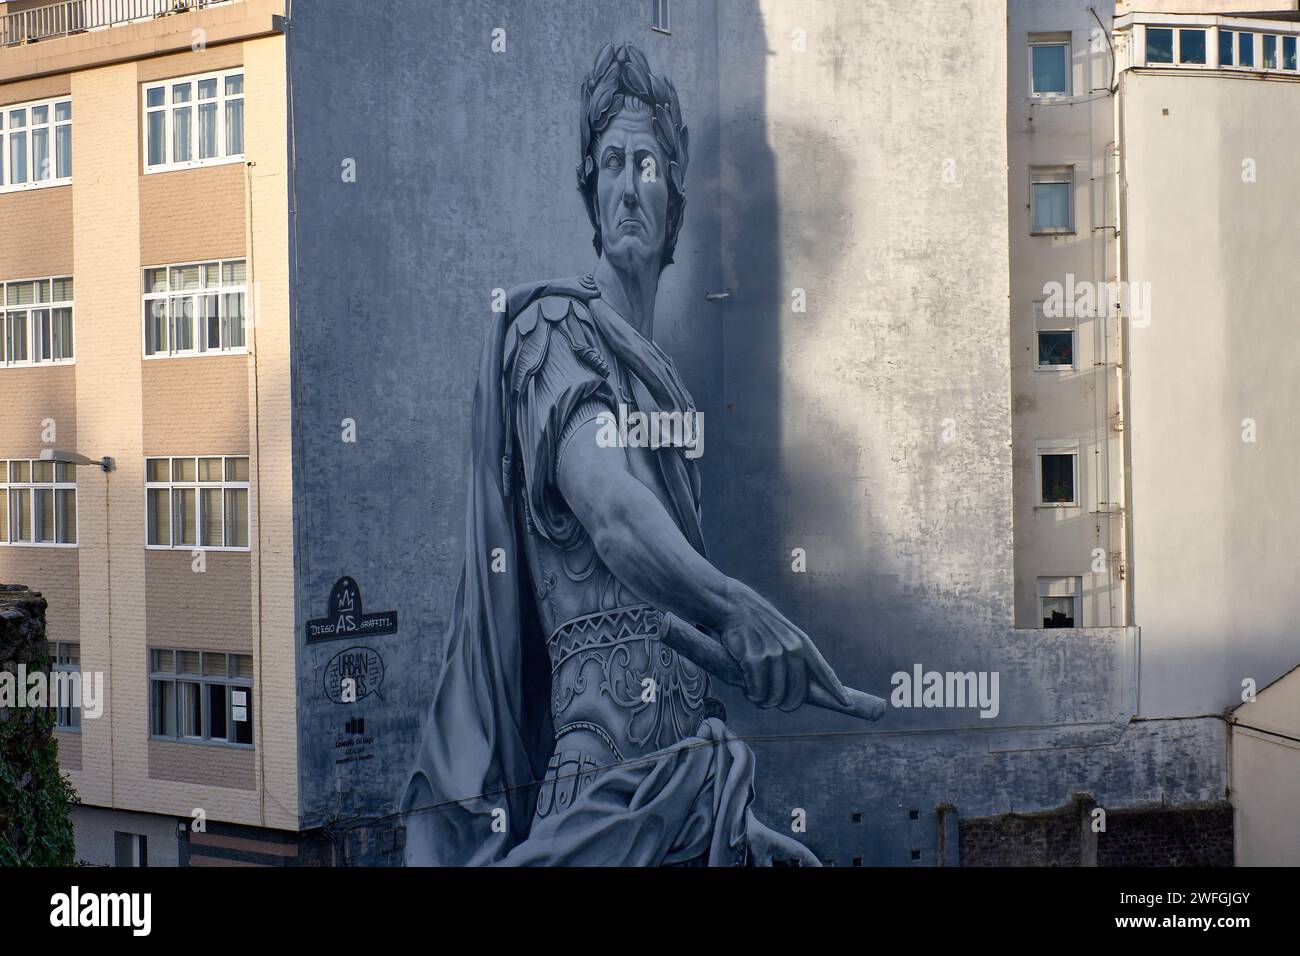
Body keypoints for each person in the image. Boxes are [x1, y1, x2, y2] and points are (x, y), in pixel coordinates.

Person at [401, 41, 849, 866]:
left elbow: (667, 634)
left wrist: (740, 823)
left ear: (673, 200)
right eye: (611, 162)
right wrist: (740, 609)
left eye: (648, 163)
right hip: (599, 797)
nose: (629, 183)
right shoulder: (551, 331)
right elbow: (610, 511)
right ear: (590, 189)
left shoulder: (669, 387)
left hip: (686, 797)